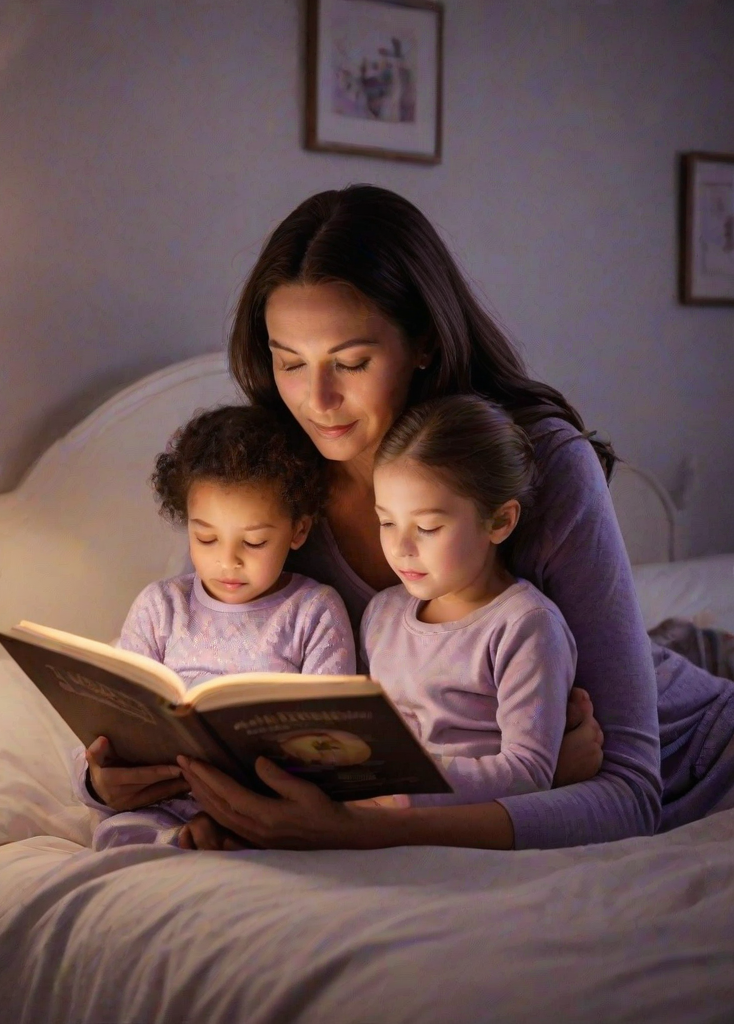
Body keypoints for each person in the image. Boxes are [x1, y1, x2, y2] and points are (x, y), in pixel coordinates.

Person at [174, 184, 734, 852]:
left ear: (425, 343)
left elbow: (632, 793)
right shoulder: (266, 482)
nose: (317, 399)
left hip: (698, 759)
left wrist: (366, 830)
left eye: (351, 362)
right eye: (289, 361)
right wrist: (126, 776)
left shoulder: (539, 460)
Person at [76, 404, 356, 849]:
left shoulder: (313, 610)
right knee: (116, 835)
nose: (228, 561)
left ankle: (214, 839)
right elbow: (114, 723)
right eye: (205, 538)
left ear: (298, 530)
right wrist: (95, 779)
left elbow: (333, 740)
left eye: (255, 541)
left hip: (264, 810)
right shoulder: (161, 606)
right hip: (157, 804)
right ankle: (177, 841)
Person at [362, 394, 576, 807]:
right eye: (386, 522)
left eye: (427, 527)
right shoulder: (381, 614)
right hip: (385, 807)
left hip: (455, 818)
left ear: (499, 521)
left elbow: (529, 771)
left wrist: (407, 784)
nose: (401, 548)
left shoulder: (525, 625)